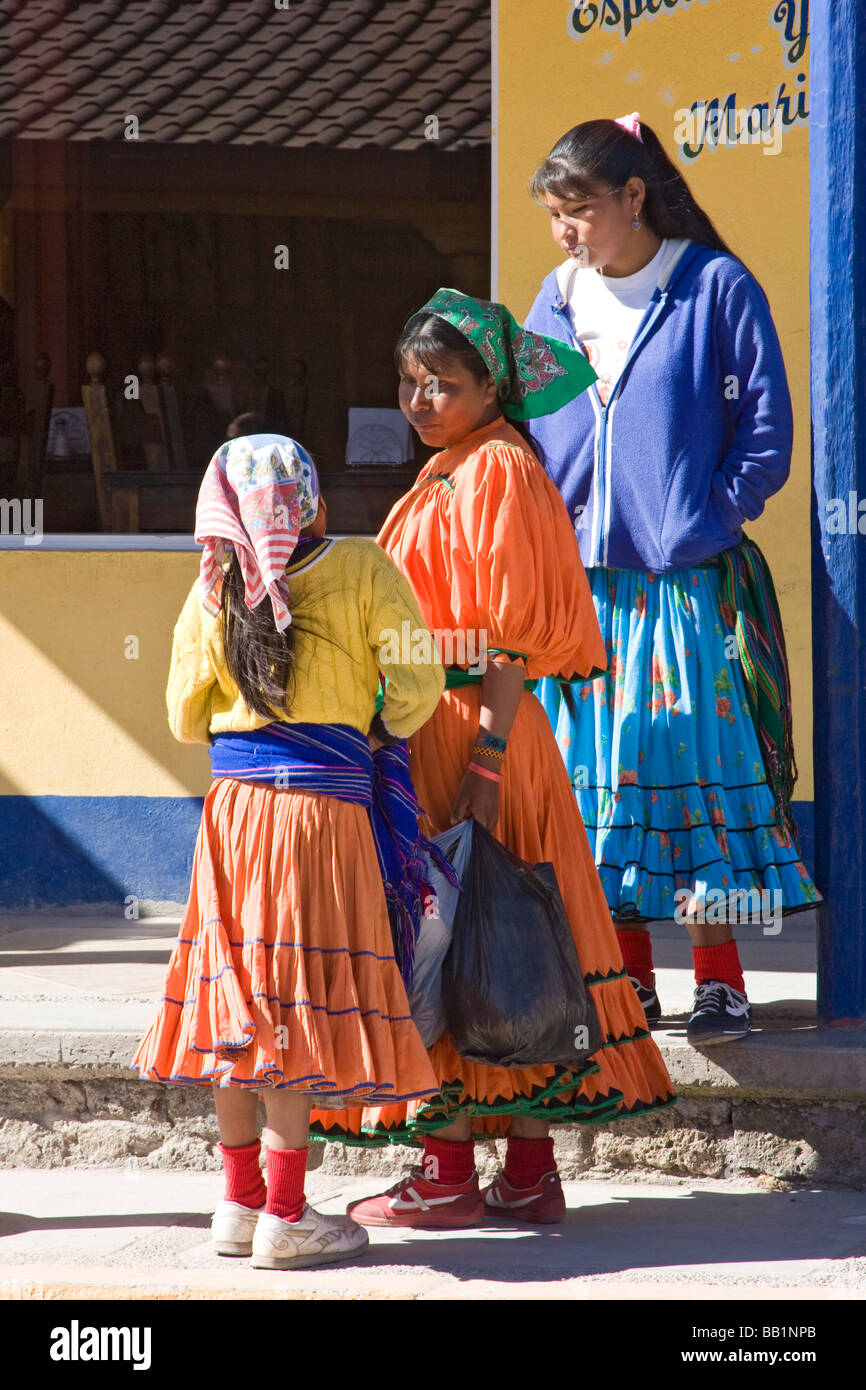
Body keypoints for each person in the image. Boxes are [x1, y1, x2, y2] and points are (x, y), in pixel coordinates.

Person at [312, 290, 675, 1229]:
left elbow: (506, 641)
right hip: (449, 728)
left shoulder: (499, 472)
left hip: (479, 735)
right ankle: (526, 1171)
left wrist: (483, 761)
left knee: (457, 939)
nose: (419, 399)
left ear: (493, 389)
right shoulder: (450, 470)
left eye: (443, 383)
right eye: (408, 382)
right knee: (488, 938)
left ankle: (443, 1175)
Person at [523, 114, 821, 1046]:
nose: (566, 231)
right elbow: (532, 432)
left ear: (634, 197)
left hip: (686, 587)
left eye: (579, 210)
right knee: (600, 782)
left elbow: (766, 434)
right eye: (554, 215)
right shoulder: (555, 301)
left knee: (694, 777)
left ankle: (723, 980)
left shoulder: (714, 288)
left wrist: (706, 515)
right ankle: (629, 980)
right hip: (587, 590)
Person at [132, 433, 445, 1269]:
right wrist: (362, 728)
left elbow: (183, 717)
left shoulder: (211, 589)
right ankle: (286, 1214)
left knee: (241, 999)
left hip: (235, 817)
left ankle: (237, 1206)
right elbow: (418, 689)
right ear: (314, 504)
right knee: (295, 1000)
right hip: (323, 818)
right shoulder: (367, 568)